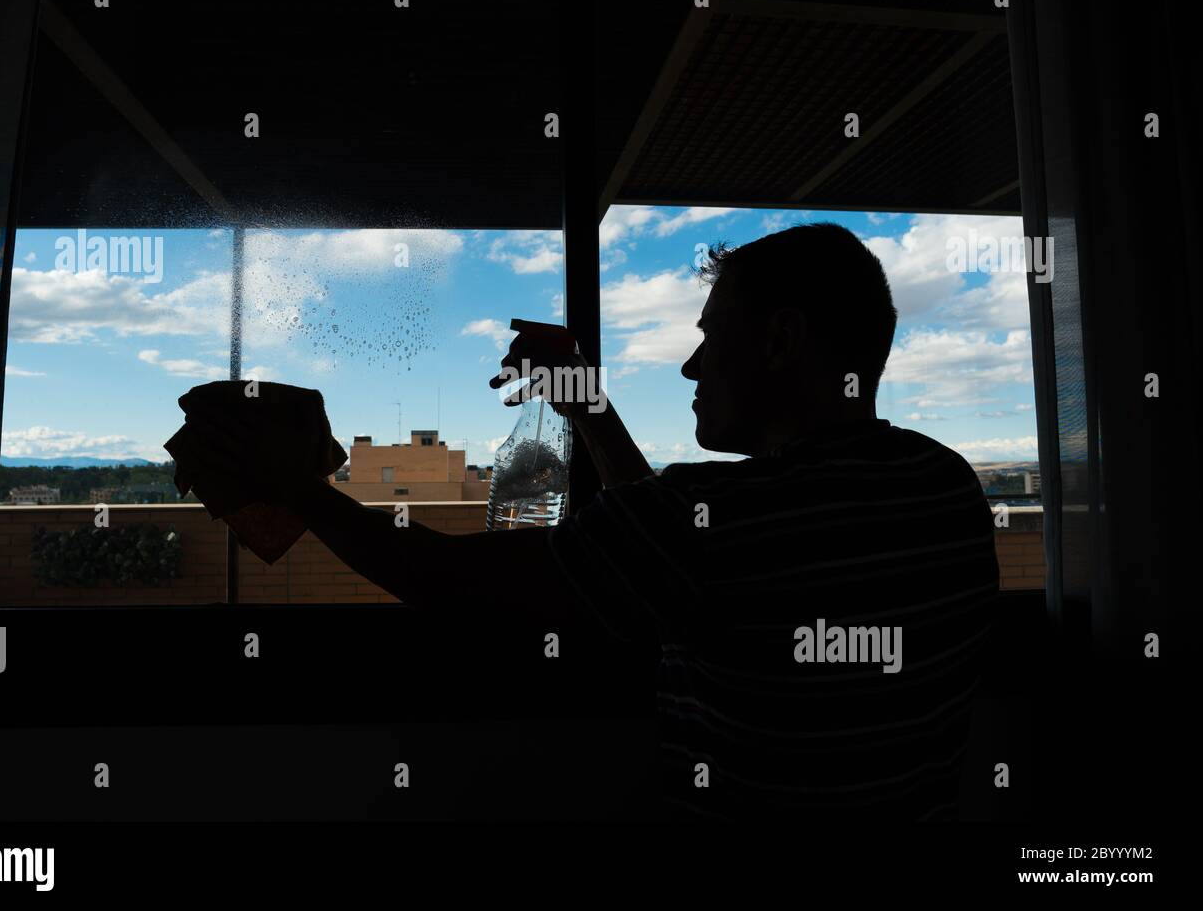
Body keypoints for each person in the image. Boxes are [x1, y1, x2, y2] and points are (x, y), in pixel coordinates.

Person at [186, 222, 1000, 821]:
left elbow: (449, 580)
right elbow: (669, 554)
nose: (689, 366)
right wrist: (590, 409)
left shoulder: (722, 524)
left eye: (710, 338)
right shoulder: (945, 486)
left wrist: (298, 486)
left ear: (782, 340)